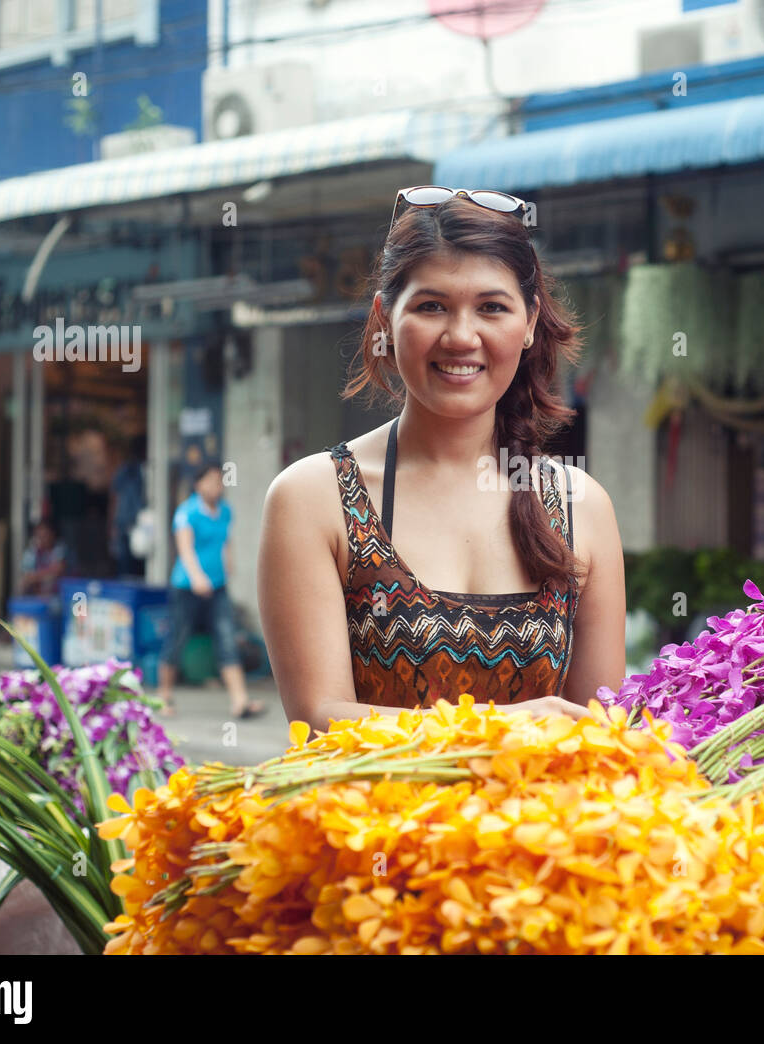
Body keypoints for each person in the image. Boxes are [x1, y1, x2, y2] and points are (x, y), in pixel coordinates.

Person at [258, 186, 627, 732]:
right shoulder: (316, 497)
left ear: (529, 322)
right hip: (366, 818)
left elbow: (601, 732)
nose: (460, 336)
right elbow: (318, 721)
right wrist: (506, 730)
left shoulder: (579, 507)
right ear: (384, 318)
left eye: (492, 308)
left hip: (540, 822)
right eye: (432, 306)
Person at [157, 463, 265, 719]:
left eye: (220, 481)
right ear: (199, 484)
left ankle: (240, 702)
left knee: (227, 638)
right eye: (212, 481)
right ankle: (164, 696)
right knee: (178, 639)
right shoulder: (187, 512)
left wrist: (229, 564)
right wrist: (197, 577)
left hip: (217, 587)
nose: (217, 486)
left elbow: (225, 541)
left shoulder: (226, 511)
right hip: (187, 587)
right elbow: (185, 549)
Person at [109, 434, 147, 579]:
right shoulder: (127, 470)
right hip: (125, 523)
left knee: (140, 567)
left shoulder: (151, 468)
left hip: (142, 523)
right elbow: (115, 498)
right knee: (126, 568)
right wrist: (112, 525)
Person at [20, 518, 69, 596]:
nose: (42, 539)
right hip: (36, 596)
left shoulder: (59, 548)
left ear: (52, 535)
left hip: (57, 596)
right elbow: (26, 577)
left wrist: (36, 576)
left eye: (45, 536)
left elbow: (60, 569)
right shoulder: (31, 552)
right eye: (39, 536)